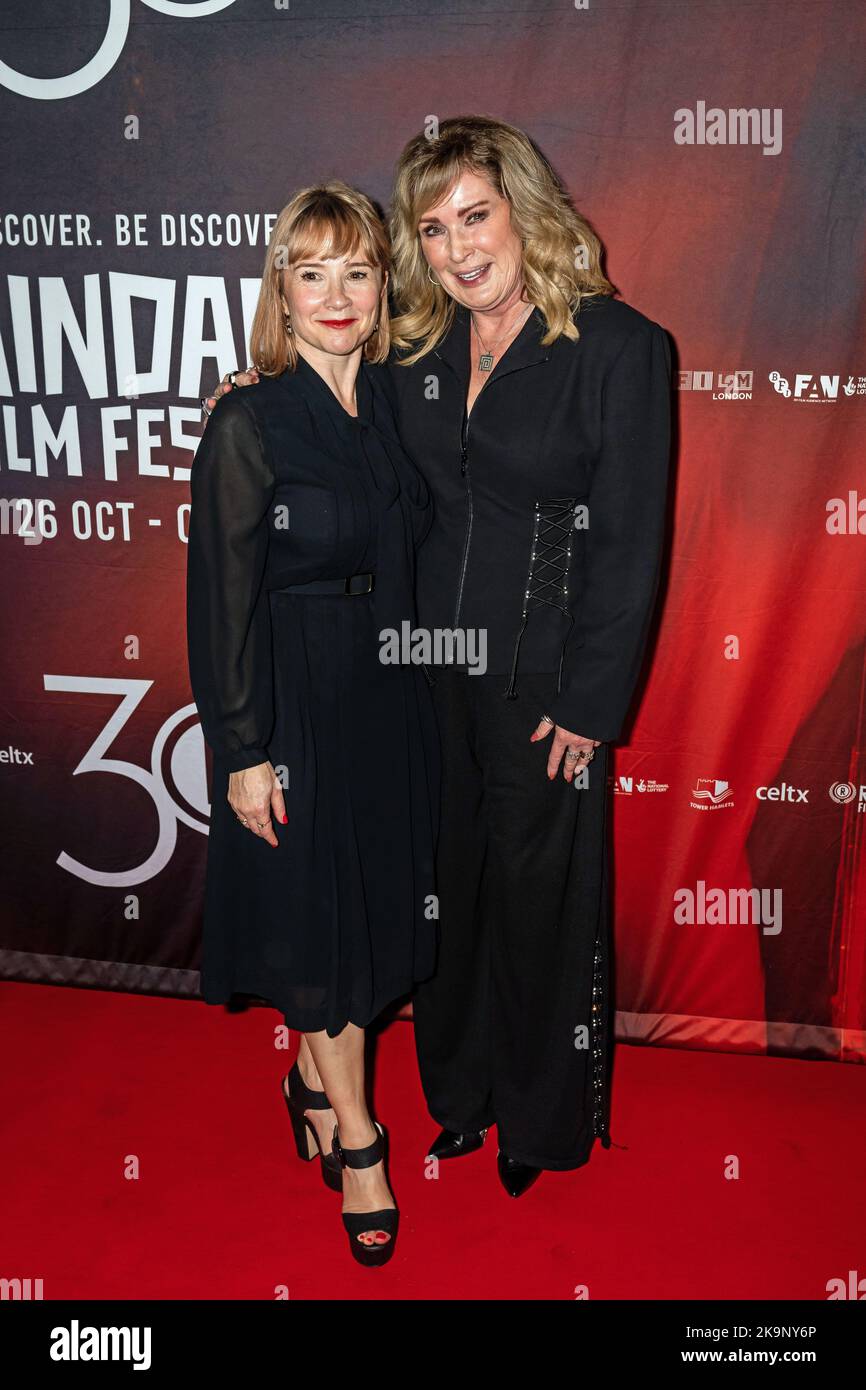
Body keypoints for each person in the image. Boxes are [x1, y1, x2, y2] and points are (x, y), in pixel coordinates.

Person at [206, 115, 672, 1199]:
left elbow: (634, 542)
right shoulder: (412, 349)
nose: (461, 249)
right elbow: (315, 421)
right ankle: (459, 1100)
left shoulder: (617, 346)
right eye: (435, 228)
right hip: (417, 678)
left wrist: (593, 704)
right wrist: (243, 399)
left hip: (546, 684)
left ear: (523, 210)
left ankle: (538, 1122)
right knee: (445, 899)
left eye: (477, 217)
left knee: (536, 901)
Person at [187, 182, 439, 1264]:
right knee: (328, 932)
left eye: (357, 271)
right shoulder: (249, 416)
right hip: (292, 697)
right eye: (310, 272)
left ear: (383, 288)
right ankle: (361, 1141)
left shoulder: (396, 395)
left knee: (374, 918)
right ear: (279, 293)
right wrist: (242, 749)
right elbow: (219, 598)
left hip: (390, 694)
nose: (336, 295)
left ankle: (304, 1074)